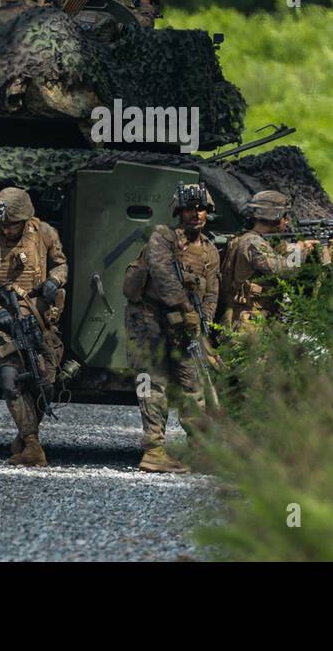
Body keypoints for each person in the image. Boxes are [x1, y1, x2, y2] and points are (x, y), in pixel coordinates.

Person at [0, 187, 67, 466]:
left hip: (39, 320)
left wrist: (54, 281)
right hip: (2, 321)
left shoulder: (44, 234)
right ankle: (33, 445)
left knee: (44, 380)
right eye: (2, 225)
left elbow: (61, 265)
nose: (7, 230)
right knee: (10, 380)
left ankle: (25, 436)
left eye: (12, 225)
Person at [122, 182, 220, 474]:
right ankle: (154, 451)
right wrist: (187, 311)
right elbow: (164, 278)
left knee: (193, 385)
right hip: (148, 319)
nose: (196, 214)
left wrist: (202, 324)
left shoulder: (210, 251)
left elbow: (212, 292)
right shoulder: (162, 238)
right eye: (190, 208)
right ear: (179, 211)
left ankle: (200, 451)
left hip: (183, 326)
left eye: (201, 209)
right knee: (154, 383)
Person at [219, 190, 333, 339]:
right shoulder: (252, 243)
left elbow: (283, 252)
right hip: (247, 321)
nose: (287, 221)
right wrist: (299, 250)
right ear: (274, 216)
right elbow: (285, 271)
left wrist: (322, 245)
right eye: (284, 216)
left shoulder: (260, 241)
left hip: (255, 317)